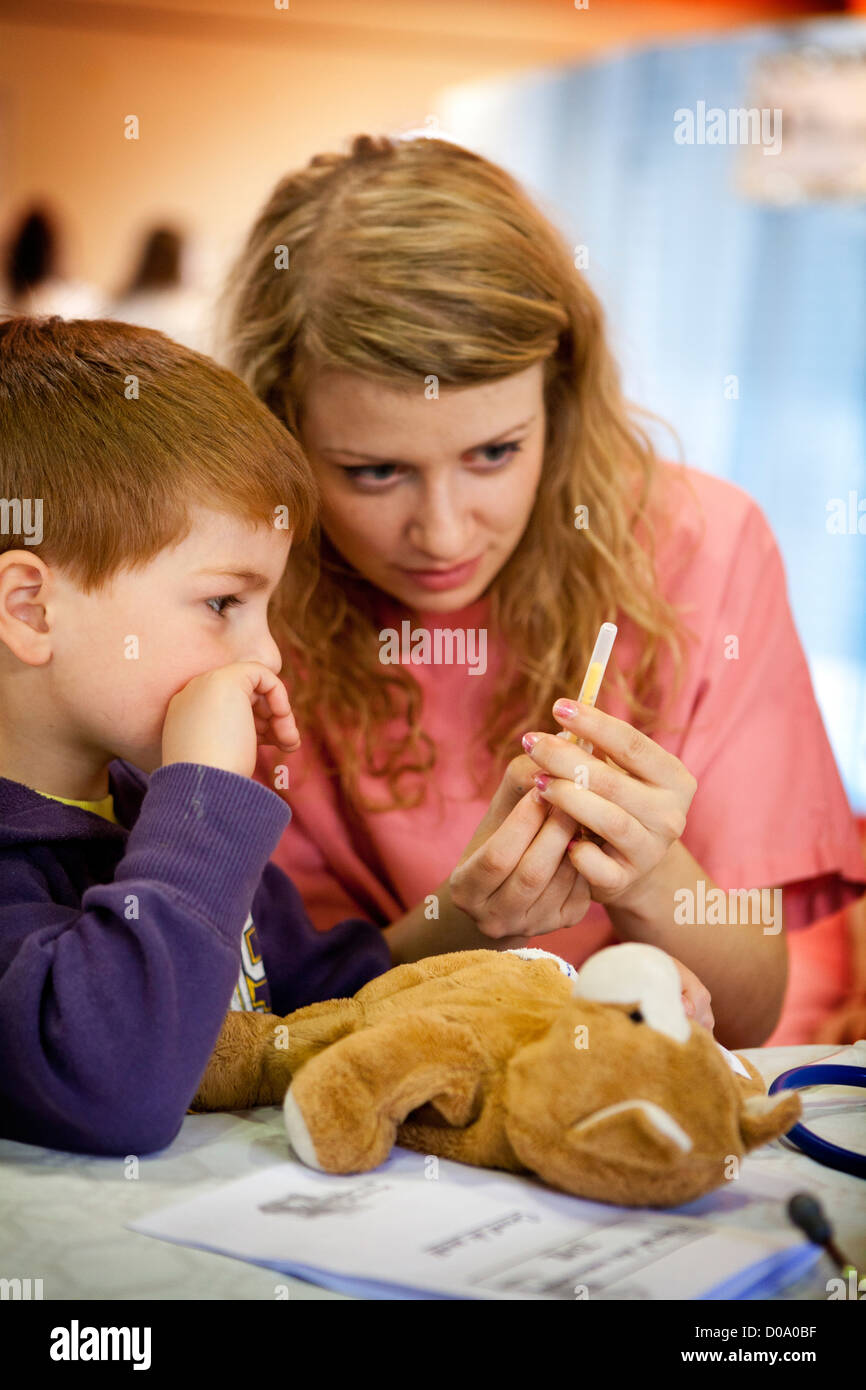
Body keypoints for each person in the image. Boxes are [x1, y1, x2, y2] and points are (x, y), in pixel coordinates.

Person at [217, 133, 866, 1052]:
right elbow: (264, 1021)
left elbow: (752, 1016)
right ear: (282, 431)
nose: (443, 533)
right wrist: (469, 923)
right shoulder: (241, 589)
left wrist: (650, 879)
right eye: (373, 472)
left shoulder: (704, 551)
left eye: (494, 453)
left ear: (559, 399)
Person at [0, 315, 391, 1157]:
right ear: (30, 610)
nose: (267, 654)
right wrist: (204, 795)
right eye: (223, 604)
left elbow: (339, 995)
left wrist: (501, 935)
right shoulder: (180, 817)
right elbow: (114, 1087)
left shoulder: (149, 810)